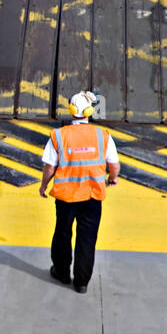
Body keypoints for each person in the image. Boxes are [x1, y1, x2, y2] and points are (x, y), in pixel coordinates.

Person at [39, 91, 120, 294]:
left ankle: (62, 272)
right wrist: (112, 178)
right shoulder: (102, 135)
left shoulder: (58, 135)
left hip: (66, 197)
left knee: (62, 233)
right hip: (92, 197)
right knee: (87, 238)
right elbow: (114, 165)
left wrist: (44, 186)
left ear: (72, 110)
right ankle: (81, 282)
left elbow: (49, 167)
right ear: (90, 111)